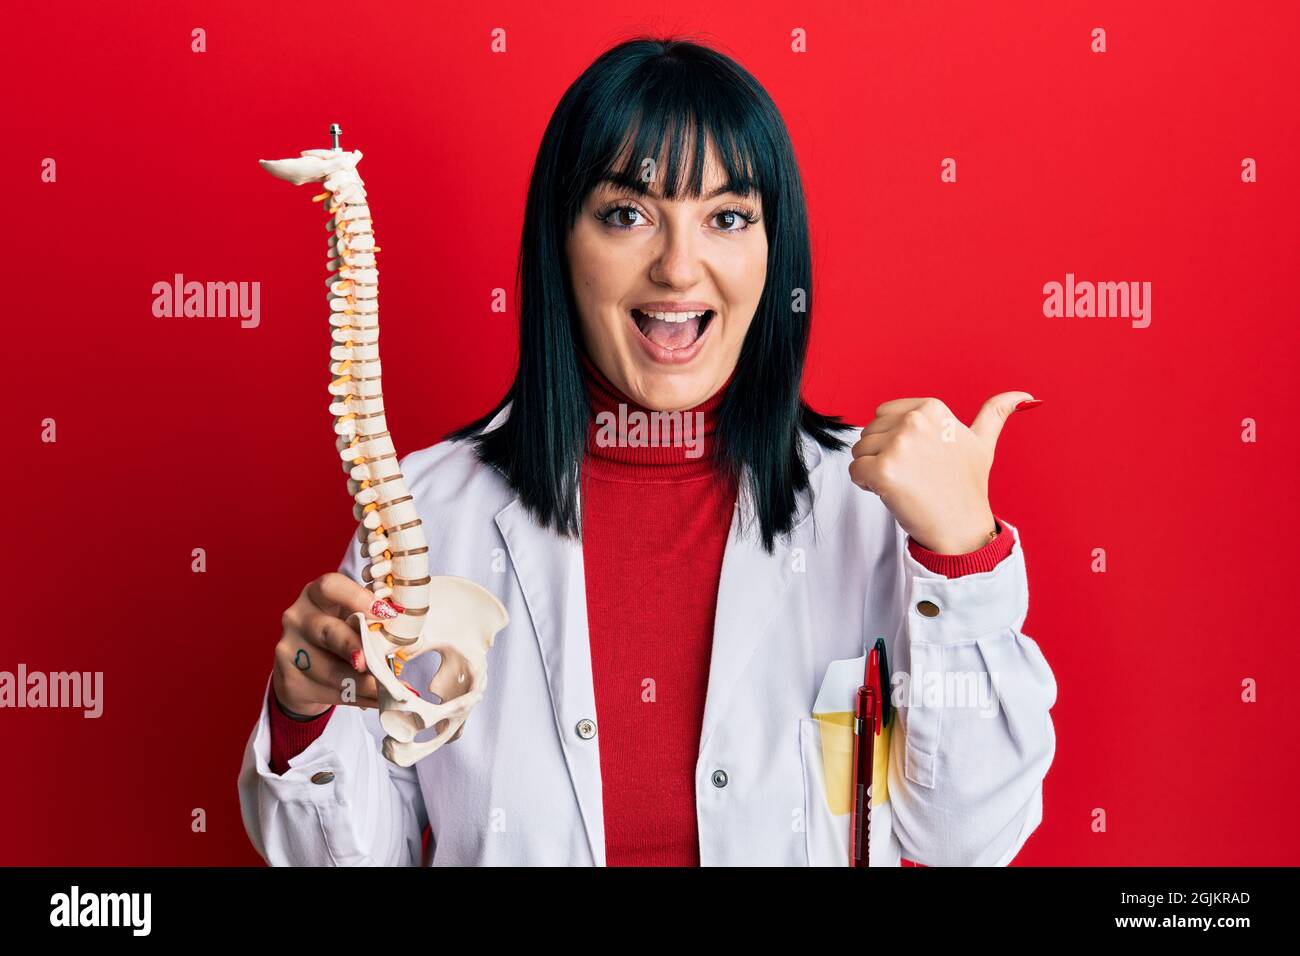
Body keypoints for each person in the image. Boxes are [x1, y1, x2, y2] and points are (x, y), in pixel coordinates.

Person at [238, 35, 1057, 866]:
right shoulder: (426, 513)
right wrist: (302, 712)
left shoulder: (871, 509)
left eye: (728, 217)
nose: (677, 265)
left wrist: (962, 561)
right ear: (561, 243)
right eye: (628, 214)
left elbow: (967, 838)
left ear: (775, 255)